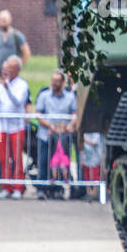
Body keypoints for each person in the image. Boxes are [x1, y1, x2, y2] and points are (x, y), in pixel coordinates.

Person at [0, 56, 31, 199]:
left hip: (17, 126)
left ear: (18, 70)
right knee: (3, 158)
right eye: (7, 68)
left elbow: (18, 102)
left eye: (12, 68)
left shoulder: (22, 85)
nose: (9, 70)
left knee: (17, 158)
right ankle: (6, 186)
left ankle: (18, 187)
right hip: (2, 127)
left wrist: (7, 89)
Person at [34, 70, 78, 200]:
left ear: (63, 83)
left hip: (62, 136)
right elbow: (38, 114)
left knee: (60, 163)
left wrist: (70, 125)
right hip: (46, 134)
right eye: (53, 80)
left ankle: (57, 189)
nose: (54, 83)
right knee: (43, 162)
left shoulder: (70, 97)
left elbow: (74, 114)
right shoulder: (44, 96)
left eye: (57, 81)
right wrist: (49, 126)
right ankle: (42, 189)